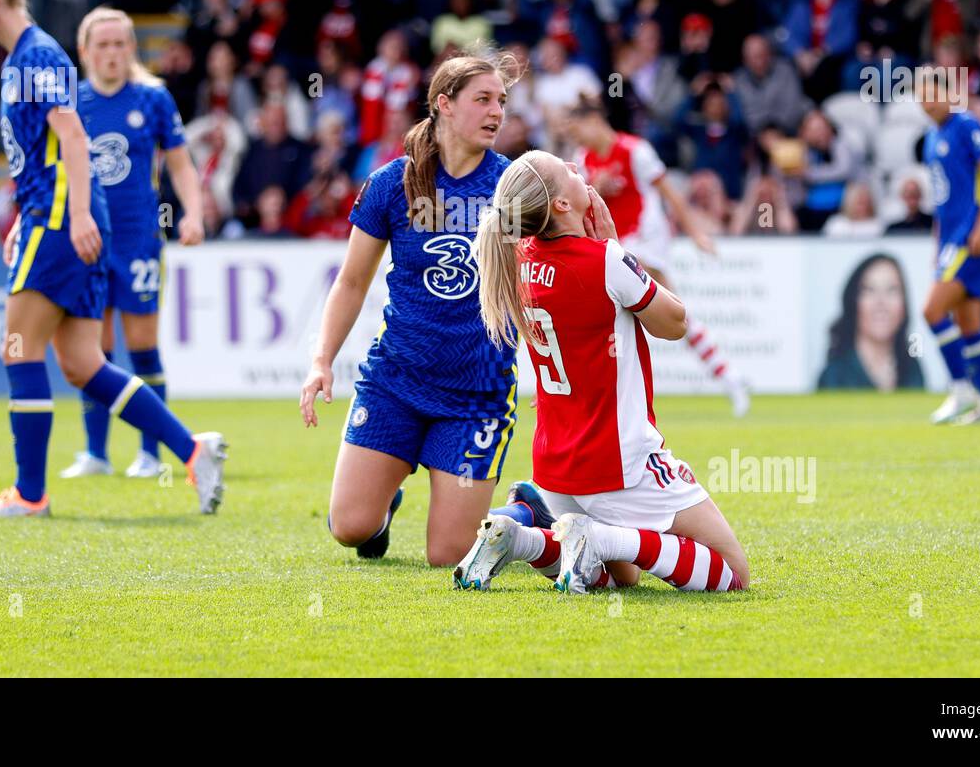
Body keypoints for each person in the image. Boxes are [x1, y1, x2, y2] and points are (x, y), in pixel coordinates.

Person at [0, 0, 225, 517]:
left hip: (61, 221)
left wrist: (70, 217)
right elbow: (45, 148)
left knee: (18, 351)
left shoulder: (37, 56)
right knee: (82, 364)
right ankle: (192, 449)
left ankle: (29, 496)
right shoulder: (27, 57)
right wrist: (26, 219)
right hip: (51, 219)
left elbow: (72, 137)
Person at [453, 150, 748, 593]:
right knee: (732, 573)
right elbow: (675, 323)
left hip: (556, 467)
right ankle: (597, 534)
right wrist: (619, 251)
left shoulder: (521, 259)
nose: (577, 170)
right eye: (567, 170)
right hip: (618, 463)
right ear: (561, 205)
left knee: (620, 576)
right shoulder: (605, 259)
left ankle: (524, 539)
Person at [299, 50, 523, 566]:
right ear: (444, 104)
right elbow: (352, 282)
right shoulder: (390, 183)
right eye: (483, 99)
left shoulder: (513, 187)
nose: (497, 112)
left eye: (502, 101)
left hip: (477, 393)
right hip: (396, 380)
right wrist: (320, 361)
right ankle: (385, 499)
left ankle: (527, 510)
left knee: (448, 556)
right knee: (351, 529)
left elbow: (536, 282)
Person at [58, 7, 205, 480]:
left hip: (140, 238)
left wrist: (194, 213)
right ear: (85, 52)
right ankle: (95, 453)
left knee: (142, 344)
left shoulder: (154, 98)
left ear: (132, 49)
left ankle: (150, 454)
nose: (112, 53)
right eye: (102, 45)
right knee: (92, 347)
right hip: (88, 240)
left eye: (120, 44)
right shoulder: (70, 103)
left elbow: (180, 165)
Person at [568, 95, 750, 415]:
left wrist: (695, 234)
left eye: (578, 130)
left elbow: (671, 195)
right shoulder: (584, 160)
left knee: (644, 306)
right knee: (666, 311)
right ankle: (727, 375)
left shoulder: (636, 151)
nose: (577, 139)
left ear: (594, 121)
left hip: (646, 237)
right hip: (615, 242)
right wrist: (594, 186)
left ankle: (610, 394)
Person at [918, 72, 980, 425]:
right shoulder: (930, 138)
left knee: (931, 311)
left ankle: (961, 388)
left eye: (931, 94)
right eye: (920, 97)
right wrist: (937, 243)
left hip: (971, 236)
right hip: (952, 238)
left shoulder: (966, 125)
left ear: (948, 92)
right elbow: (942, 198)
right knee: (969, 322)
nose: (927, 103)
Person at [817, 253, 925, 391]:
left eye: (891, 290)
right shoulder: (834, 376)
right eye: (869, 290)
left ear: (904, 306)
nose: (881, 303)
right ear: (853, 302)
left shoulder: (913, 370)